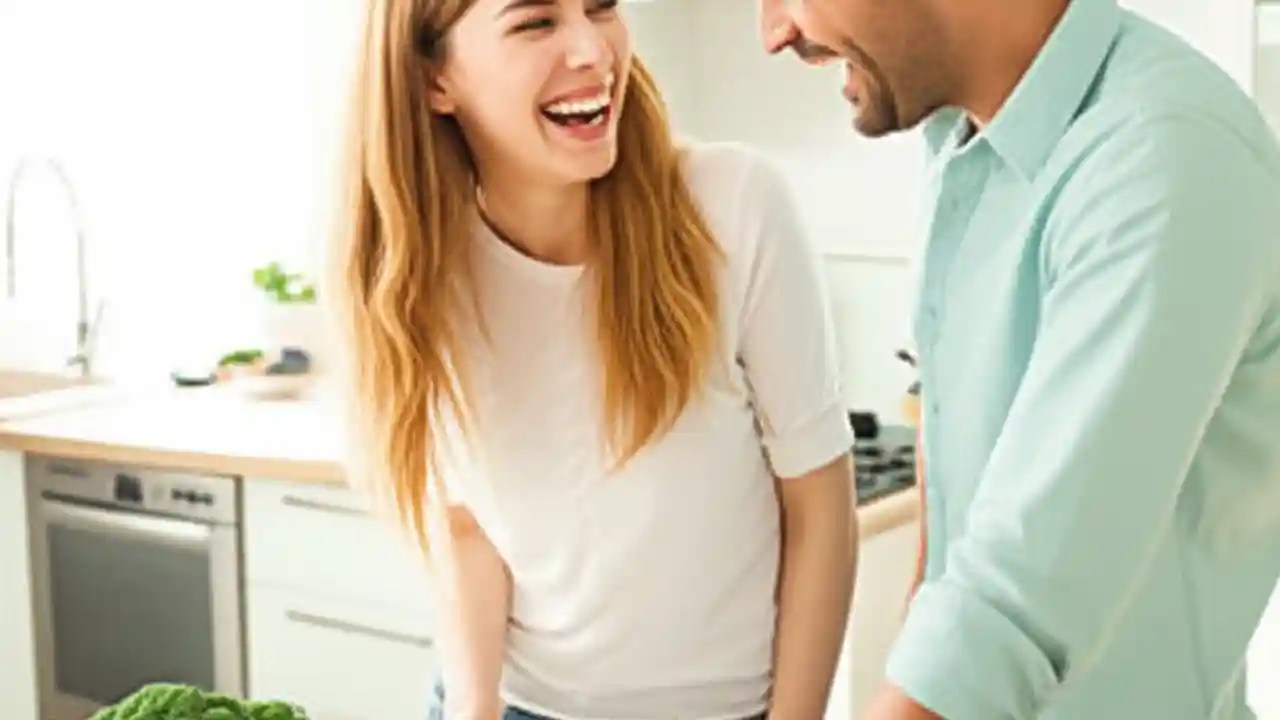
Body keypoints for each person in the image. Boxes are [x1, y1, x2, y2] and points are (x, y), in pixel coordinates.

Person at [329, 0, 859, 718]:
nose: (593, 50)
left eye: (601, 7)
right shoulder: (417, 269)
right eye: (534, 23)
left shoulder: (733, 207)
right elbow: (467, 522)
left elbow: (819, 502)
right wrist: (473, 706)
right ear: (434, 80)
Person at [761, 0, 1280, 718]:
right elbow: (955, 514)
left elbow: (1011, 600)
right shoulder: (963, 139)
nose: (775, 31)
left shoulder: (1164, 154)